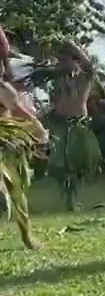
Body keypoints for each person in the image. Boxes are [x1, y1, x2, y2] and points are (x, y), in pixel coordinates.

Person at [0, 27, 48, 249]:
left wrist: (39, 132)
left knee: (17, 188)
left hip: (6, 142)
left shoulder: (4, 89)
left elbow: (21, 112)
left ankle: (27, 235)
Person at [44, 42, 103, 210]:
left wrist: (75, 48)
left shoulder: (84, 78)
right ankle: (66, 190)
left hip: (78, 123)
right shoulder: (58, 81)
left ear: (75, 61)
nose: (62, 63)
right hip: (60, 123)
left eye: (65, 60)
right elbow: (55, 102)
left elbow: (90, 67)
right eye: (60, 60)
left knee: (79, 163)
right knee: (56, 164)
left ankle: (73, 196)